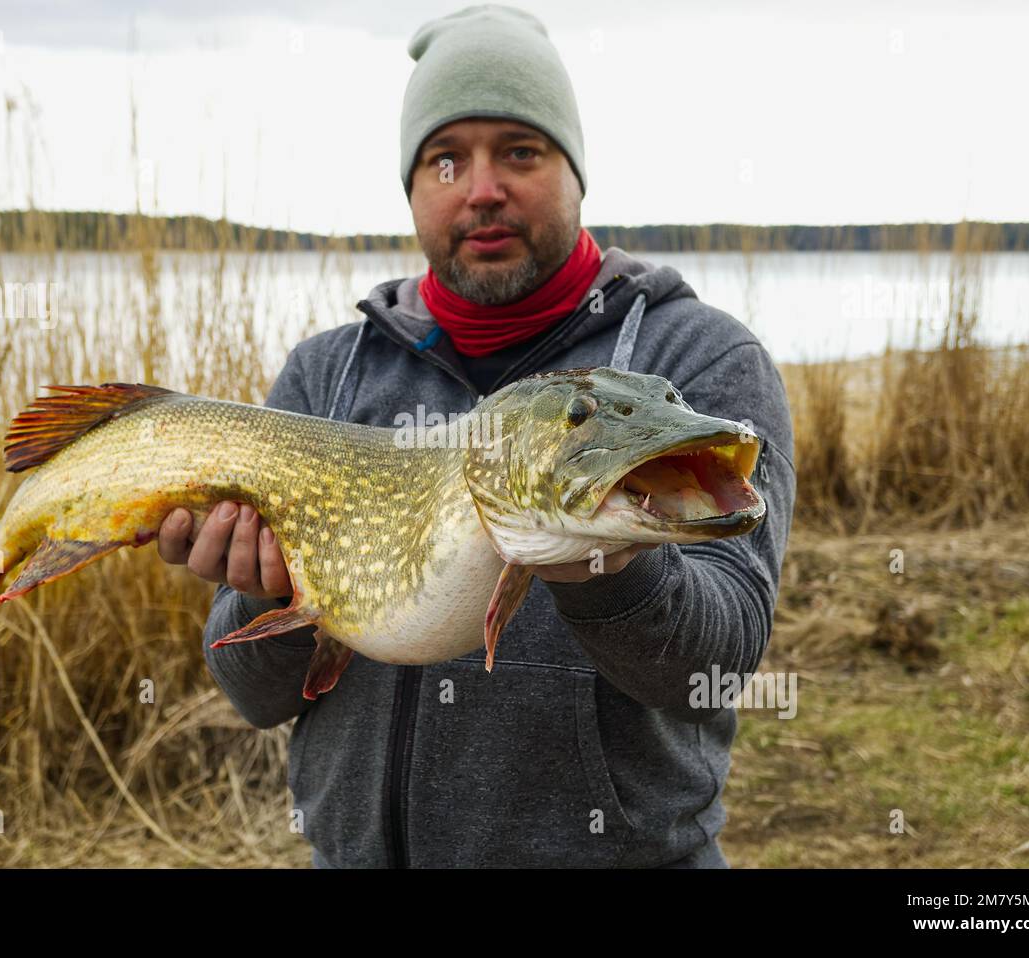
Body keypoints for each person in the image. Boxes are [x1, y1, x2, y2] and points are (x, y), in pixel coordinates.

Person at [158, 3, 795, 868]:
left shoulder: (696, 361)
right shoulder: (326, 378)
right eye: (446, 158)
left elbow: (713, 666)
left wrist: (593, 551)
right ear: (414, 188)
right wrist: (269, 596)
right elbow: (254, 696)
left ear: (576, 173)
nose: (482, 187)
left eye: (520, 151)